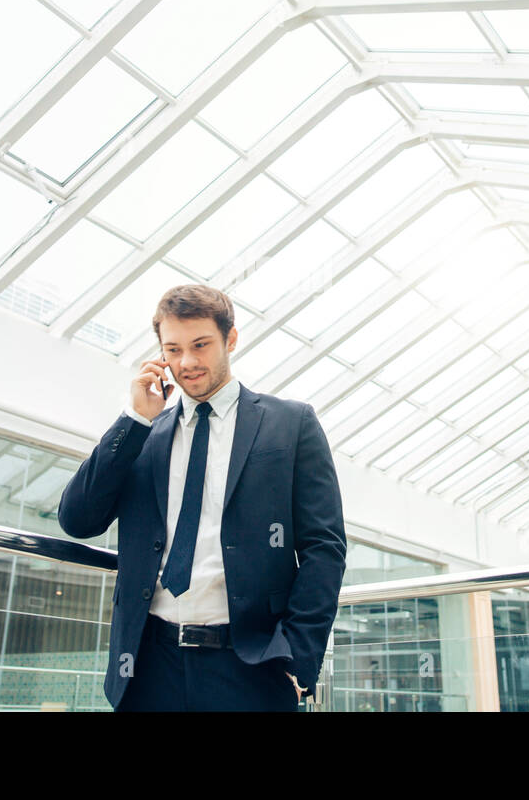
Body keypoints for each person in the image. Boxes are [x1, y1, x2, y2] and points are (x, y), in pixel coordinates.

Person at [58, 284, 347, 711]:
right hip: (147, 663)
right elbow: (78, 520)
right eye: (172, 349)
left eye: (200, 345)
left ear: (230, 339)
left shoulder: (291, 424)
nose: (186, 362)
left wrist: (297, 658)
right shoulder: (145, 433)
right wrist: (134, 418)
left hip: (249, 665)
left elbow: (324, 547)